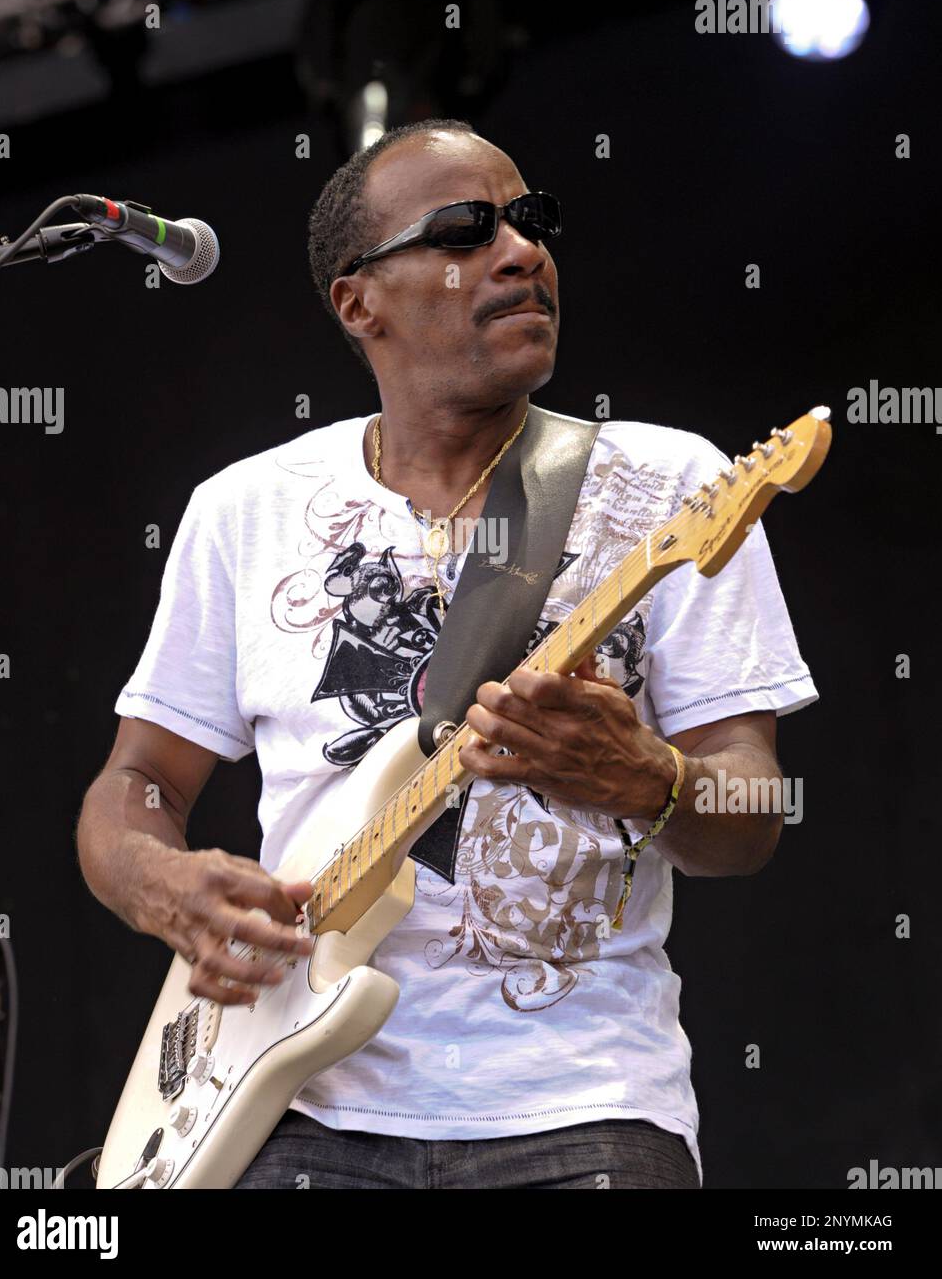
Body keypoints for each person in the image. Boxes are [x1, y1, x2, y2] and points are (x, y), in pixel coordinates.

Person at [77, 118, 818, 1189]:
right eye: (466, 230)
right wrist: (162, 883)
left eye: (533, 222)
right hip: (292, 1104)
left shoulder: (672, 486)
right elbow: (136, 782)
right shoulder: (245, 509)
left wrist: (653, 780)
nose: (521, 251)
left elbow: (752, 817)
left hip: (586, 1104)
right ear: (358, 299)